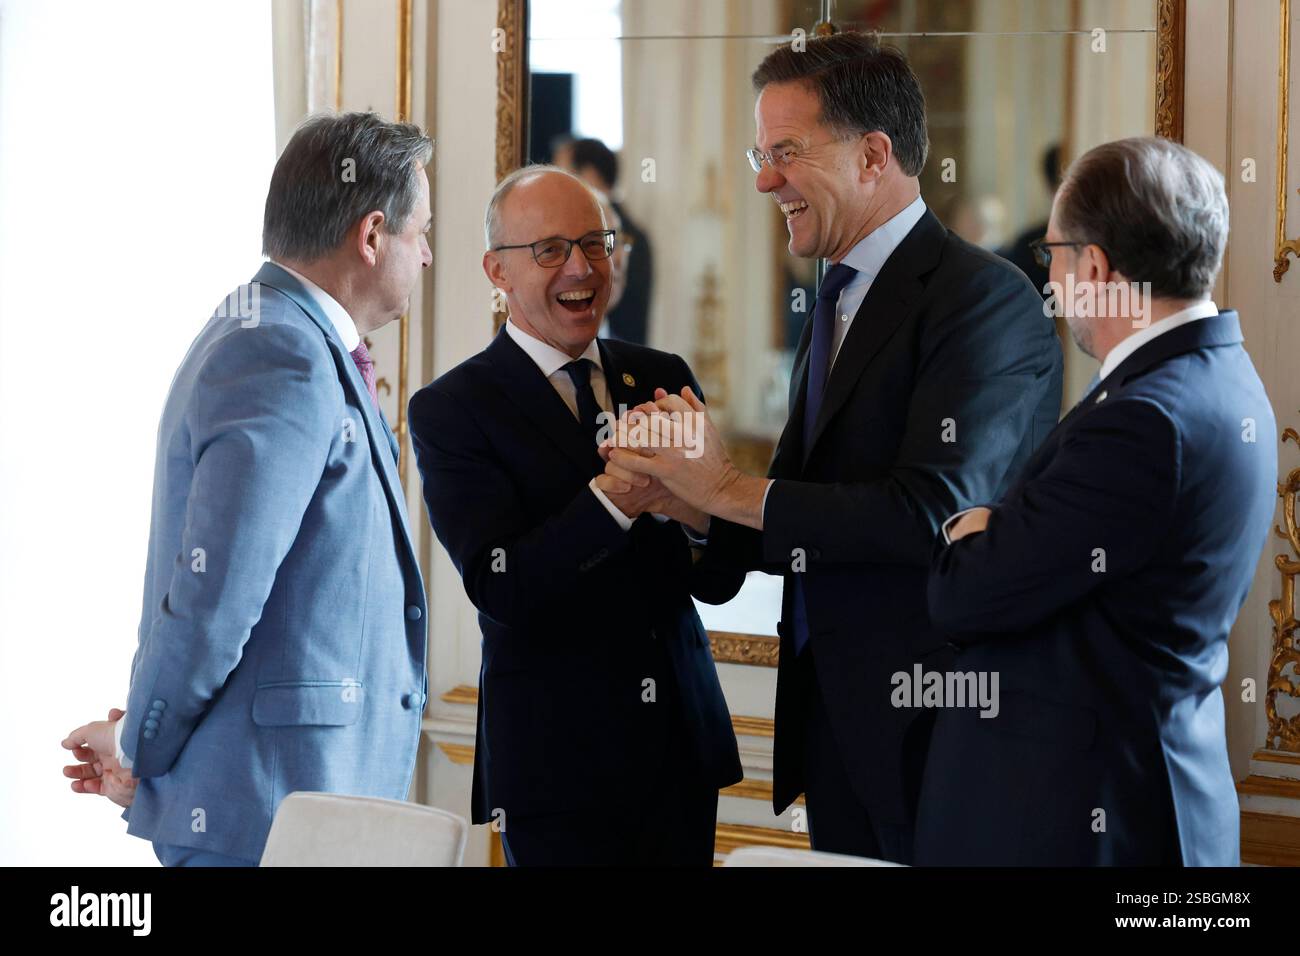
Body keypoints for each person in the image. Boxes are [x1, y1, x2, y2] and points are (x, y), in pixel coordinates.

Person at [602, 30, 1062, 864]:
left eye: (784, 151)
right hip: (833, 730)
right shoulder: (836, 298)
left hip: (939, 730)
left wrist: (724, 486)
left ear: (873, 155)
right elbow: (801, 510)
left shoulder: (985, 302)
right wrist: (692, 506)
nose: (762, 177)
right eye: (758, 150)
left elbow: (930, 517)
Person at [60, 112, 433, 866]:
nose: (427, 256)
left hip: (295, 813)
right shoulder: (280, 352)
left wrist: (139, 742)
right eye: (421, 232)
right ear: (370, 235)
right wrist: (141, 748)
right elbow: (215, 598)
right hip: (274, 827)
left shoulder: (275, 333)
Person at [915, 137, 1276, 866]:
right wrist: (999, 527)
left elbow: (966, 596)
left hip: (1088, 822)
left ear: (1098, 268)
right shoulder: (1222, 377)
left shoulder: (1142, 420)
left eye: (1054, 254)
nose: (1048, 276)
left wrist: (974, 528)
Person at [407, 166, 742, 866]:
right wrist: (616, 500)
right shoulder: (453, 410)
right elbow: (502, 586)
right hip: (556, 772)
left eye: (596, 243)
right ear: (496, 270)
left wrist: (697, 512)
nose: (583, 268)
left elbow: (721, 578)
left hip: (680, 750)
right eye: (552, 250)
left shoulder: (661, 374)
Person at [558, 137, 654, 345]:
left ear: (589, 174)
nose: (617, 258)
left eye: (563, 174)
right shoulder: (634, 229)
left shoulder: (622, 228)